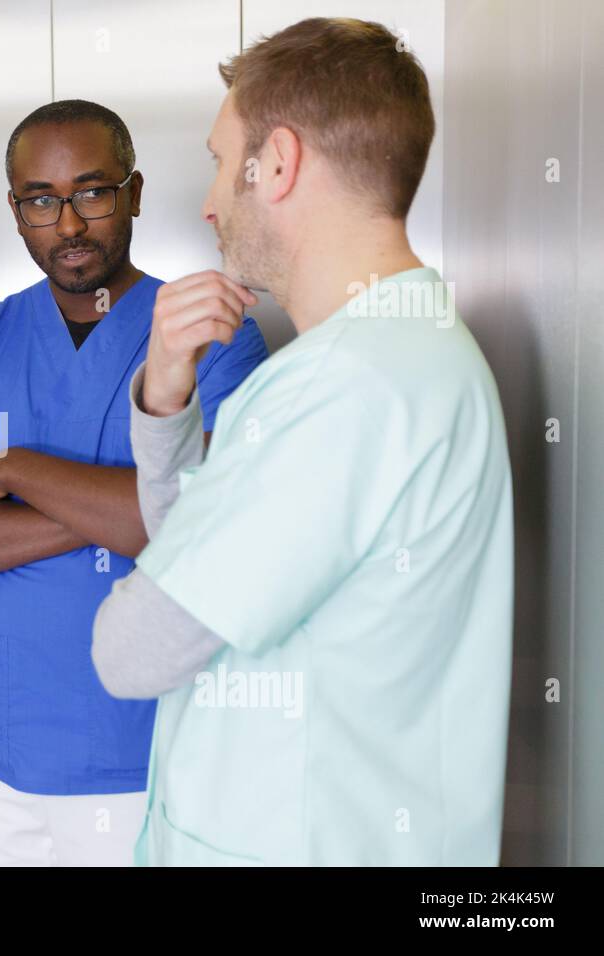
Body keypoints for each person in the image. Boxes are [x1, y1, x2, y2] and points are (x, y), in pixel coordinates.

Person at [92, 18, 514, 865]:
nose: (209, 202)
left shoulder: (345, 386)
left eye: (221, 160)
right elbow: (198, 565)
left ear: (277, 162)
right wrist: (168, 402)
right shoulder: (401, 350)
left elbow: (134, 651)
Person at [0, 100, 269, 866]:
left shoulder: (207, 333)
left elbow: (209, 525)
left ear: (132, 192)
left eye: (92, 193)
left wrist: (13, 469)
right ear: (15, 210)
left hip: (147, 746)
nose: (68, 224)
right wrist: (130, 502)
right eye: (40, 200)